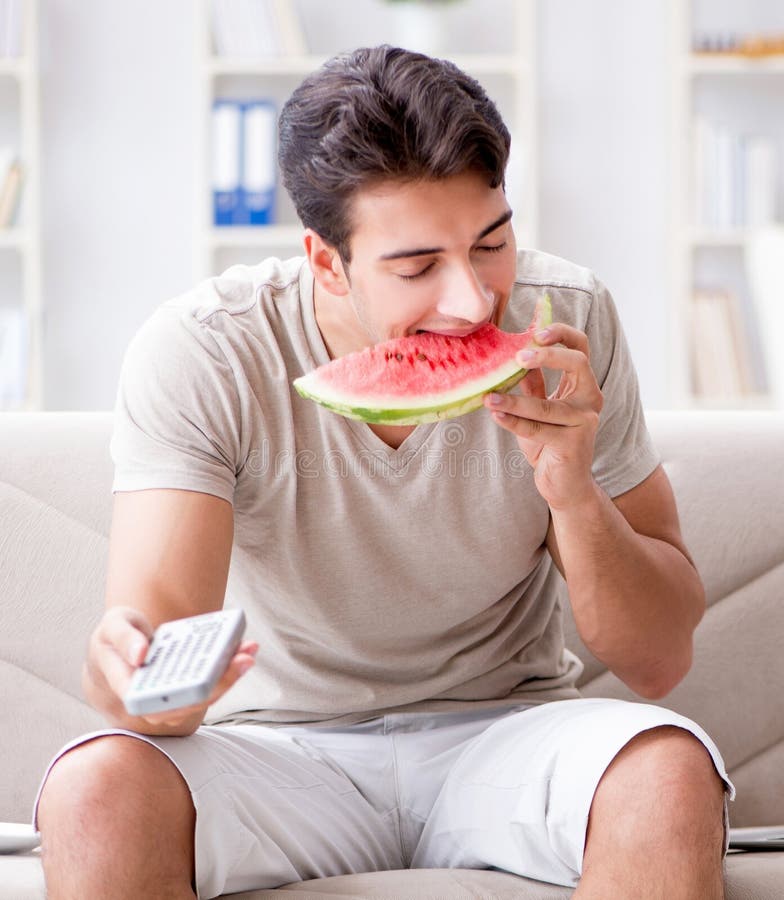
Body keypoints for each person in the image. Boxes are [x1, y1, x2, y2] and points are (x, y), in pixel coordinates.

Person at [36, 45, 732, 899]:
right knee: (93, 789)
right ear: (326, 261)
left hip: (507, 733)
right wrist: (138, 685)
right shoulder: (207, 353)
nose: (475, 301)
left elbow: (658, 663)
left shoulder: (568, 321)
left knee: (666, 772)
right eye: (415, 268)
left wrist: (572, 490)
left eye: (493, 242)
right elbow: (162, 688)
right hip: (279, 753)